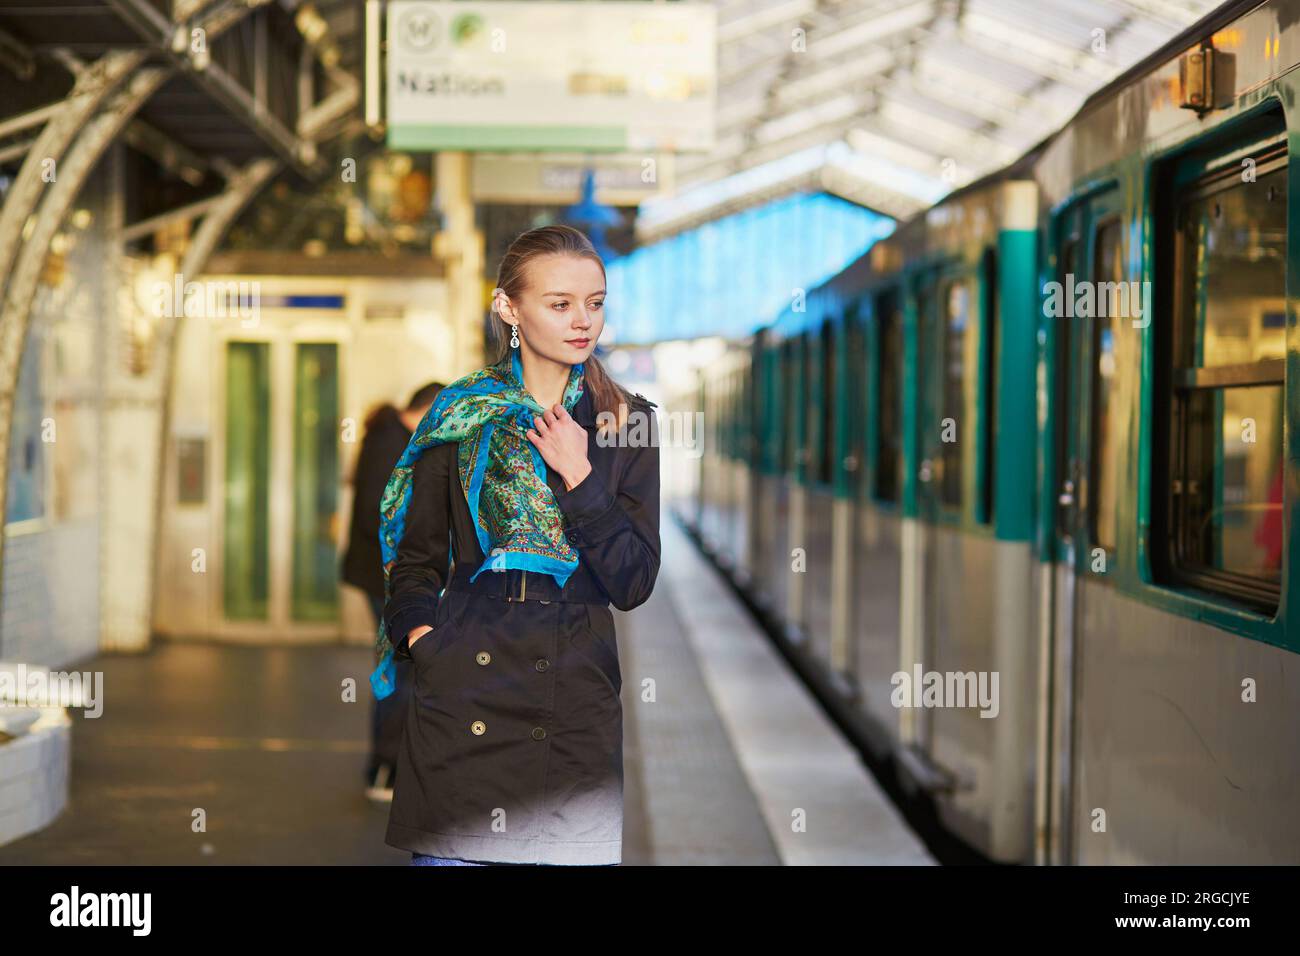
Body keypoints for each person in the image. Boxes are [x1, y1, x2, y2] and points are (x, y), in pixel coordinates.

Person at [371, 223, 661, 865]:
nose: (583, 320)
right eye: (559, 304)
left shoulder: (627, 422)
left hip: (574, 705)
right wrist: (427, 644)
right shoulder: (458, 414)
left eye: (595, 302)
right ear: (509, 308)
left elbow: (634, 581)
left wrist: (581, 476)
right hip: (464, 697)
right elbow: (415, 561)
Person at [341, 381, 444, 802]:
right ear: (429, 410)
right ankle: (383, 769)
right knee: (398, 665)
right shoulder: (391, 443)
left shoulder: (391, 436)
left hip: (390, 576)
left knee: (400, 665)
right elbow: (376, 514)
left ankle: (392, 765)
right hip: (386, 577)